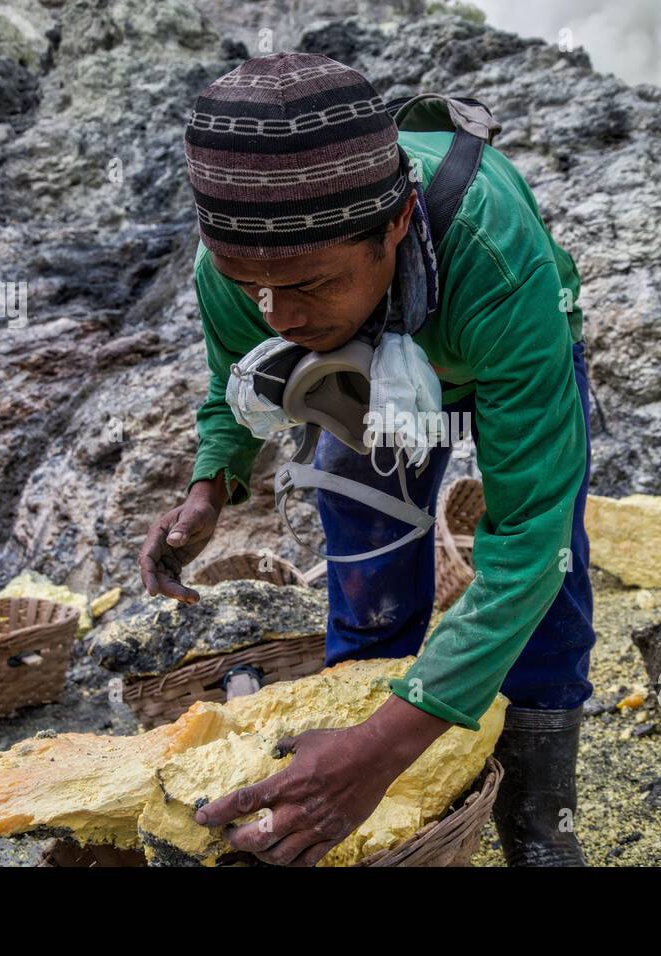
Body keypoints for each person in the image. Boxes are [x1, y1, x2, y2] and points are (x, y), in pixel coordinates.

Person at [138, 52, 595, 867]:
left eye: (309, 286)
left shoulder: (492, 256)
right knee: (367, 561)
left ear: (392, 227)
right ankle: (358, 779)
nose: (277, 315)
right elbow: (235, 377)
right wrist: (212, 483)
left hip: (483, 338)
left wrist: (384, 750)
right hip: (355, 370)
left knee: (549, 581)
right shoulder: (245, 267)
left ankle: (537, 813)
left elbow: (528, 541)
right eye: (253, 289)